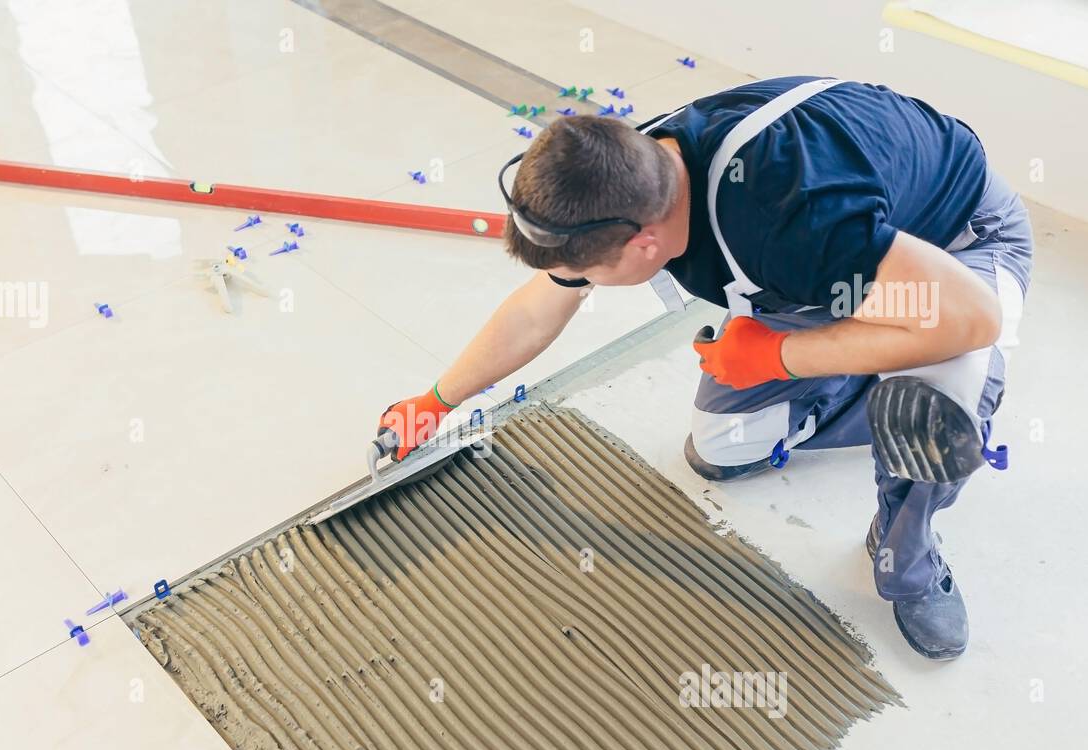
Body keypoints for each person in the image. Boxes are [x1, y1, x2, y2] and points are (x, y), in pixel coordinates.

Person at [377, 76, 1033, 661]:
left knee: (931, 411)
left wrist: (777, 354)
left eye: (584, 273)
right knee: (724, 447)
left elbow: (971, 320)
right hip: (845, 273)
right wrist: (436, 402)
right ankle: (870, 365)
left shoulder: (798, 221)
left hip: (955, 252)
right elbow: (535, 312)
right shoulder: (633, 166)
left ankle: (908, 561)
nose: (574, 282)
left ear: (644, 244)